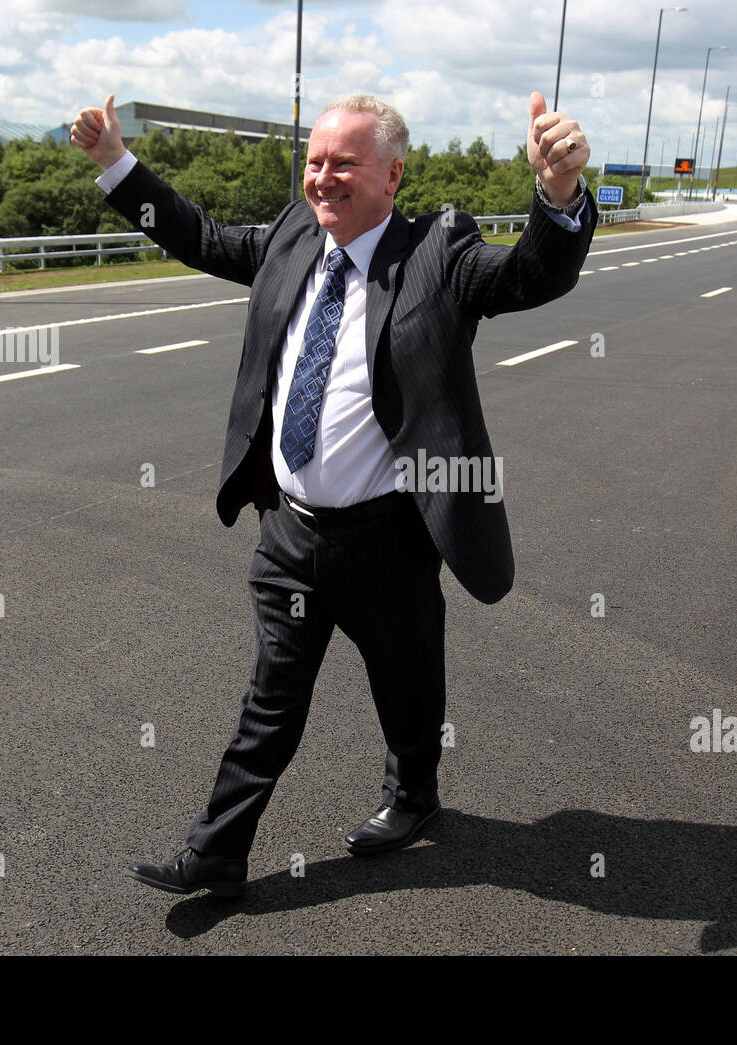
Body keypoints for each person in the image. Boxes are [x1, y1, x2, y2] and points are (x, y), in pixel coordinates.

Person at [71, 90, 596, 898]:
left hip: (389, 536)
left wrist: (557, 197)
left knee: (407, 683)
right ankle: (216, 848)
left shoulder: (438, 252)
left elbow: (528, 274)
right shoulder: (289, 238)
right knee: (270, 698)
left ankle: (413, 795)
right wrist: (116, 163)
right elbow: (199, 234)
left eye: (344, 162)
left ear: (392, 173)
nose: (323, 178)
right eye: (315, 162)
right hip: (290, 533)